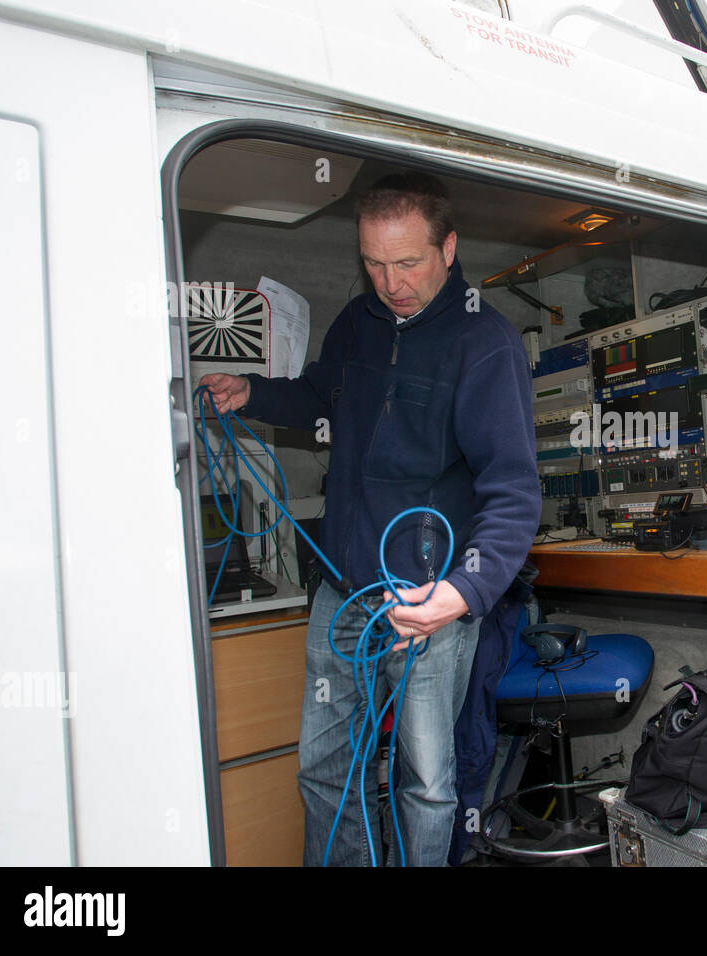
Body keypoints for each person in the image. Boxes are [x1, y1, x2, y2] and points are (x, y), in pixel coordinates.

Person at [200, 172, 540, 866]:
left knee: (426, 783)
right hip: (341, 588)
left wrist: (463, 592)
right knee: (323, 769)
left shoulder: (485, 342)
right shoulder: (358, 323)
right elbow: (325, 396)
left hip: (426, 598)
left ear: (448, 247)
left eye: (408, 262)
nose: (392, 283)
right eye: (375, 264)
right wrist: (254, 392)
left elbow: (513, 490)